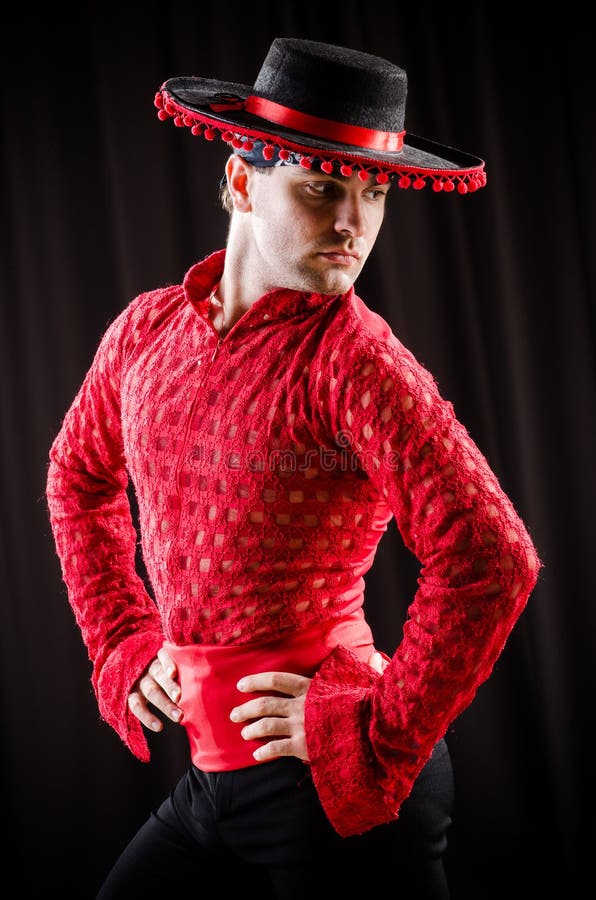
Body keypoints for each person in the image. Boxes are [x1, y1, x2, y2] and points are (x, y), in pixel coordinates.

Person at [46, 38, 541, 899]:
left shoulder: (355, 361)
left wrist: (377, 732)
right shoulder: (143, 334)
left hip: (339, 798)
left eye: (373, 192)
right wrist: (123, 639)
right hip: (210, 787)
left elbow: (492, 558)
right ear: (242, 185)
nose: (354, 223)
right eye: (323, 188)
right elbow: (77, 477)